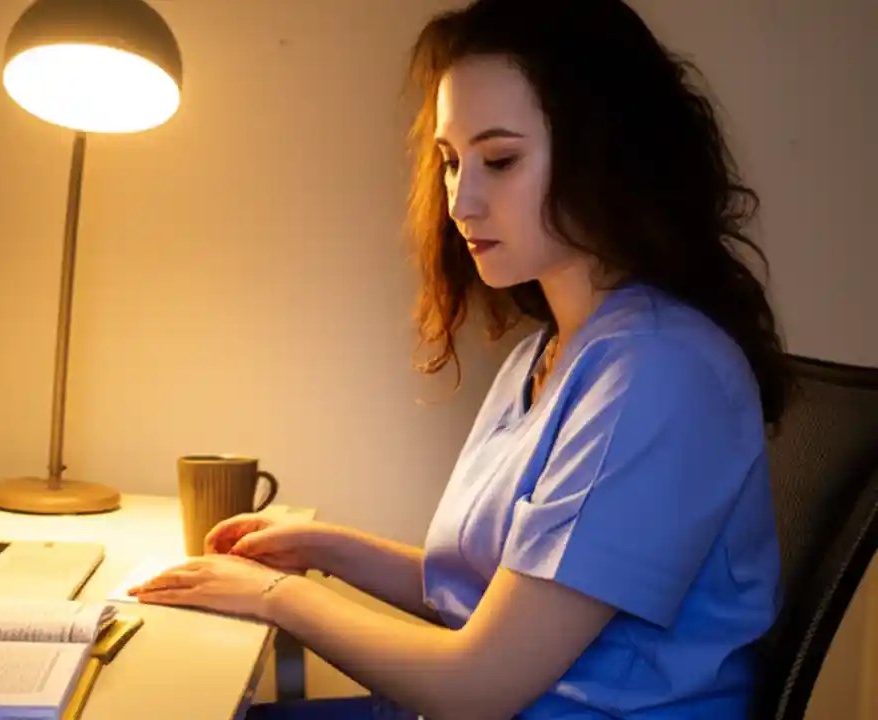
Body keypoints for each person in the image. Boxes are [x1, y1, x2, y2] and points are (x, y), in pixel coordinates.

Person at [127, 0, 789, 717]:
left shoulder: (658, 373)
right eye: (449, 162)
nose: (459, 200)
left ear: (606, 157)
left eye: (499, 160)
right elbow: (493, 595)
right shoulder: (551, 353)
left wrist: (278, 597)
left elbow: (477, 685)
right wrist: (326, 548)